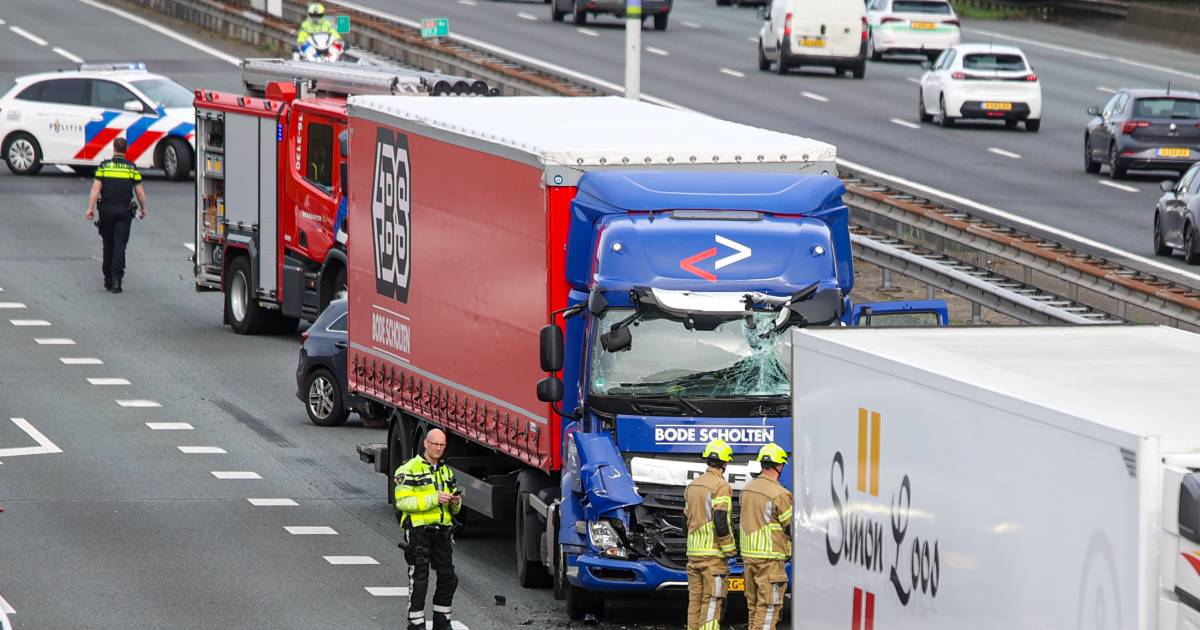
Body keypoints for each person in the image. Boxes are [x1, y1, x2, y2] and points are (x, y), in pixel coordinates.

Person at [394, 428, 461, 630]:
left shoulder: (446, 471)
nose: (438, 448)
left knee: (448, 577)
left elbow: (455, 509)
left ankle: (442, 622)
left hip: (442, 531)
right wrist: (434, 499)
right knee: (420, 577)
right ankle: (416, 624)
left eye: (442, 445)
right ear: (426, 444)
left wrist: (456, 502)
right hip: (418, 531)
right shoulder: (408, 469)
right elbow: (403, 502)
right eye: (435, 444)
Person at [685, 438, 737, 630]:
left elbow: (686, 520)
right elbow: (720, 520)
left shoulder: (693, 485)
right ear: (725, 462)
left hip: (693, 554)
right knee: (712, 602)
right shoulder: (721, 486)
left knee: (695, 601)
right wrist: (730, 551)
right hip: (713, 556)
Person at [739, 443, 793, 630]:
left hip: (749, 558)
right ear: (780, 466)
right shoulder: (780, 493)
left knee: (754, 608)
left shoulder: (746, 489)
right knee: (770, 607)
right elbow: (791, 527)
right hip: (770, 559)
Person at [85, 137, 146, 294]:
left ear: (114, 149)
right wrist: (143, 209)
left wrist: (90, 208)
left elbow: (95, 189)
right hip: (124, 211)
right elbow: (139, 192)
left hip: (106, 210)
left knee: (108, 243)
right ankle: (118, 280)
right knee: (120, 245)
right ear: (126, 150)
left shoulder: (104, 167)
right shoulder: (131, 168)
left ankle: (108, 280)